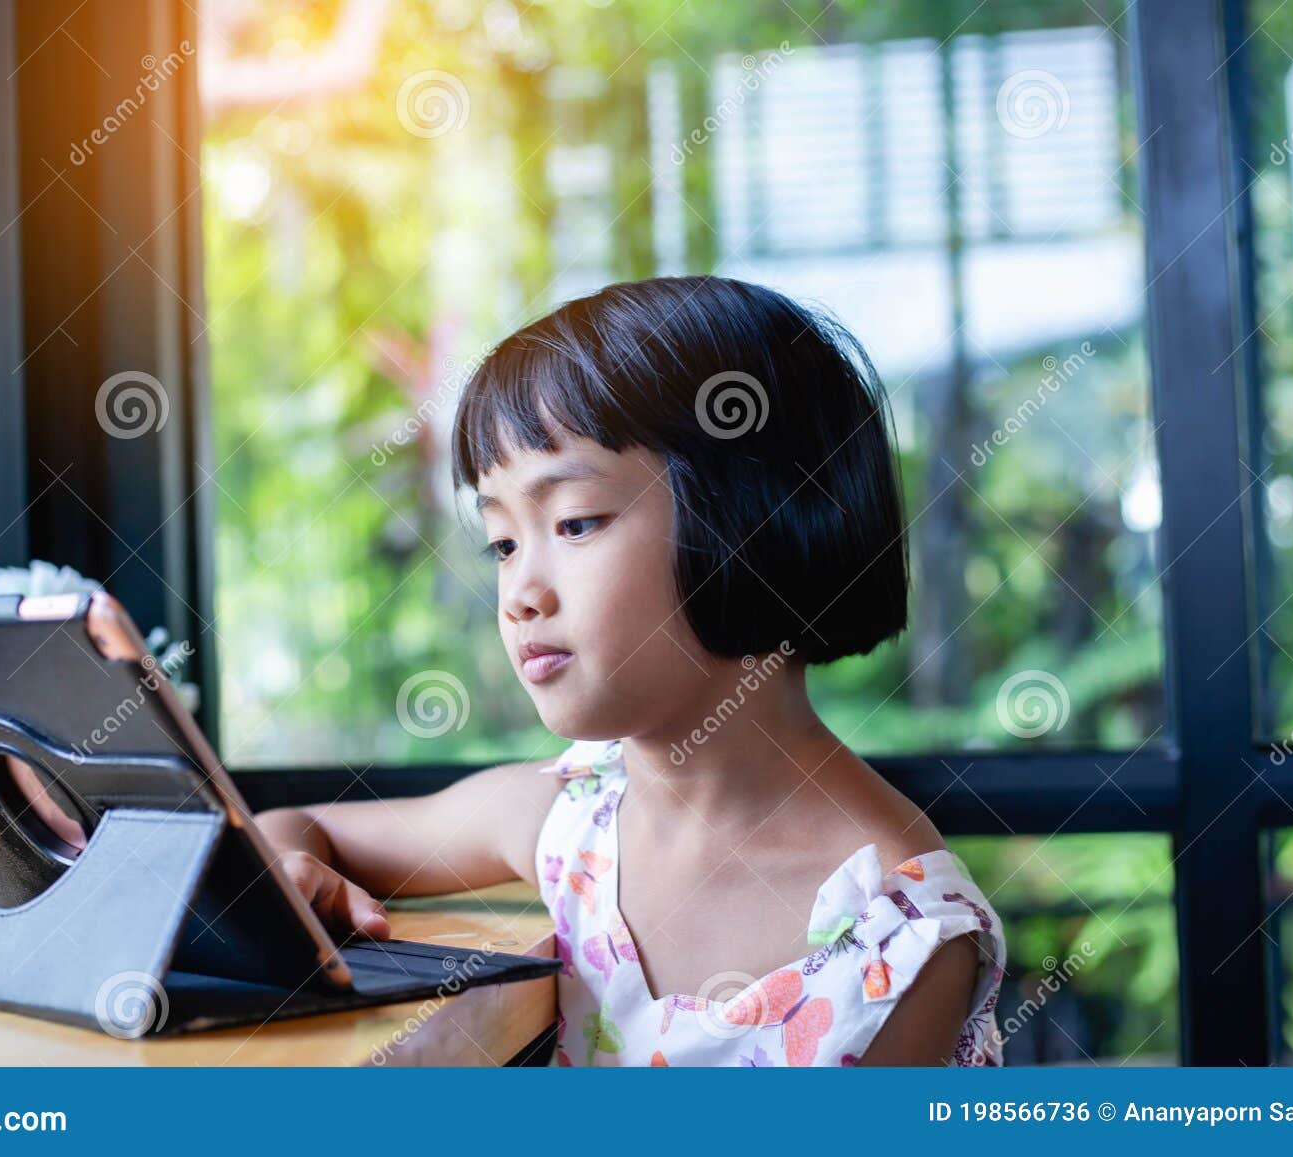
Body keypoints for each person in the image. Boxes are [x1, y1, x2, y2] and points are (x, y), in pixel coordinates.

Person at [255, 275, 1006, 1066]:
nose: (519, 594)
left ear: (751, 515)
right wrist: (286, 876)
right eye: (503, 542)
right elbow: (303, 831)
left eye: (574, 522)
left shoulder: (899, 938)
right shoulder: (575, 820)